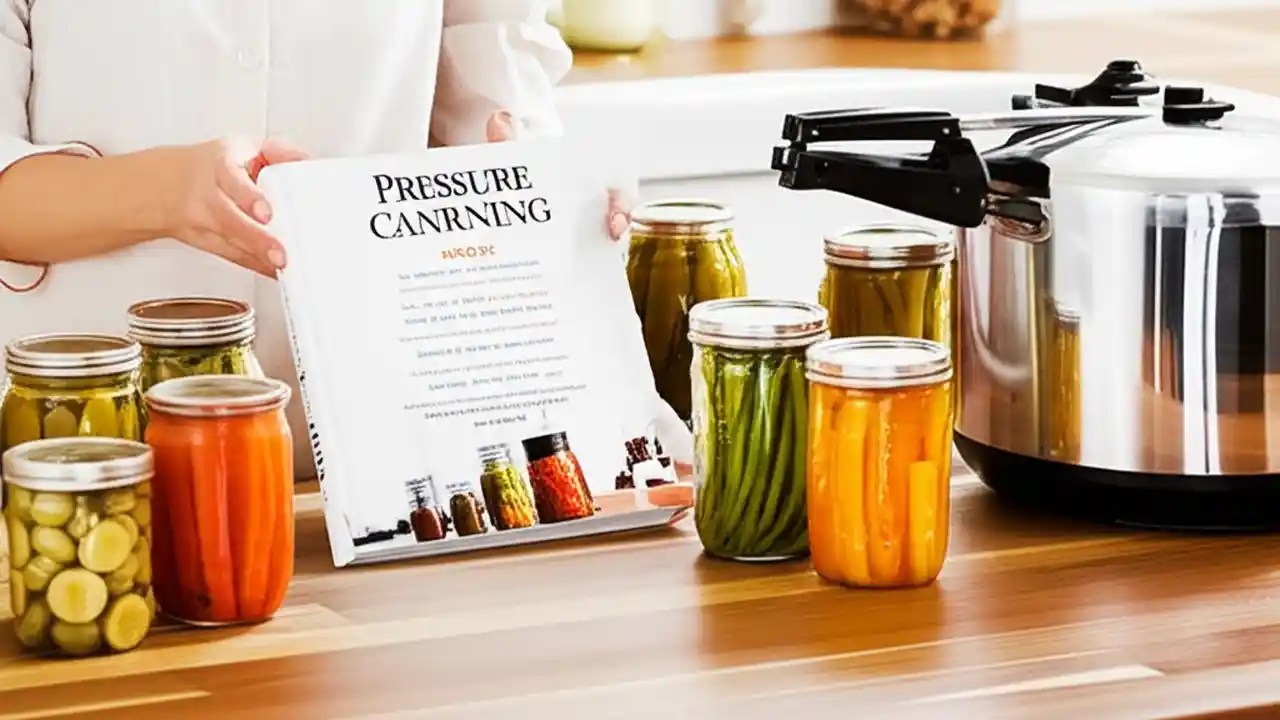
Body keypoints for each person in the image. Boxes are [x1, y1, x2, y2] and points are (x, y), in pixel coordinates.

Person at [0, 1, 653, 478]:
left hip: (369, 448)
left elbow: (494, 88)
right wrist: (167, 192)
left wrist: (543, 190)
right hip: (74, 447)